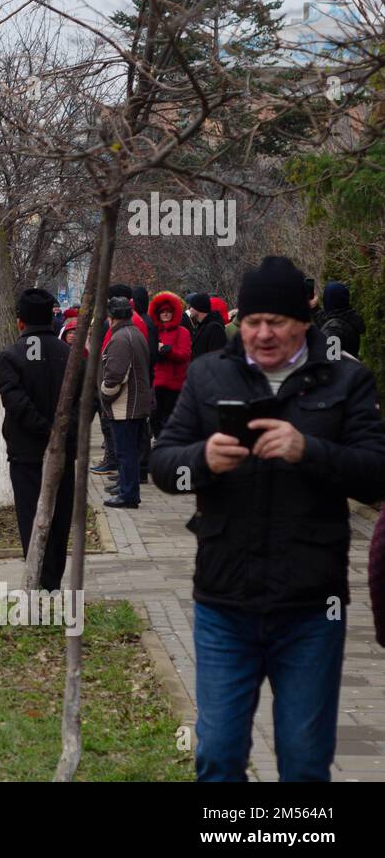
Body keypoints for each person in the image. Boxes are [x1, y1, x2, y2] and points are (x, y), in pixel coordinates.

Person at [151, 255, 385, 782]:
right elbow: (163, 465)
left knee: (304, 760)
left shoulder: (346, 379)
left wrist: (311, 451)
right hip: (223, 601)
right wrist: (200, 462)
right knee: (219, 753)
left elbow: (376, 476)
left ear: (303, 322)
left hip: (310, 605)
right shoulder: (211, 374)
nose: (261, 334)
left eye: (275, 323)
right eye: (252, 322)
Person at [0, 289, 82, 590]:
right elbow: (86, 402)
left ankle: (38, 582)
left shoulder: (10, 357)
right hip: (63, 452)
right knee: (59, 521)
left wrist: (46, 431)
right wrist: (62, 433)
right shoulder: (70, 356)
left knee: (31, 518)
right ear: (52, 316)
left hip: (26, 453)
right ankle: (52, 583)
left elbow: (16, 404)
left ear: (20, 322)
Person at [100, 295, 151, 509]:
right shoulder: (135, 333)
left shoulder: (121, 338)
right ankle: (127, 489)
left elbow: (115, 375)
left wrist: (104, 393)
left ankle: (128, 494)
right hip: (136, 403)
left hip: (125, 406)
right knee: (131, 451)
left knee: (126, 451)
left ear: (112, 317)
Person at [149, 291, 191, 437]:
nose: (165, 314)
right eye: (162, 312)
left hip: (175, 384)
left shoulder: (182, 332)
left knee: (169, 419)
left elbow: (185, 355)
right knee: (155, 418)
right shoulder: (155, 332)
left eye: (168, 311)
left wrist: (169, 352)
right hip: (157, 383)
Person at [319, 281, 365, 361]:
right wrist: (314, 308)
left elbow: (331, 363)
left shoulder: (333, 330)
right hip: (350, 369)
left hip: (340, 372)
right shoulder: (348, 317)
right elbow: (328, 321)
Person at [188, 293, 227, 361]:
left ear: (198, 308)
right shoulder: (201, 326)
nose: (189, 310)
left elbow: (217, 358)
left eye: (191, 307)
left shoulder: (214, 328)